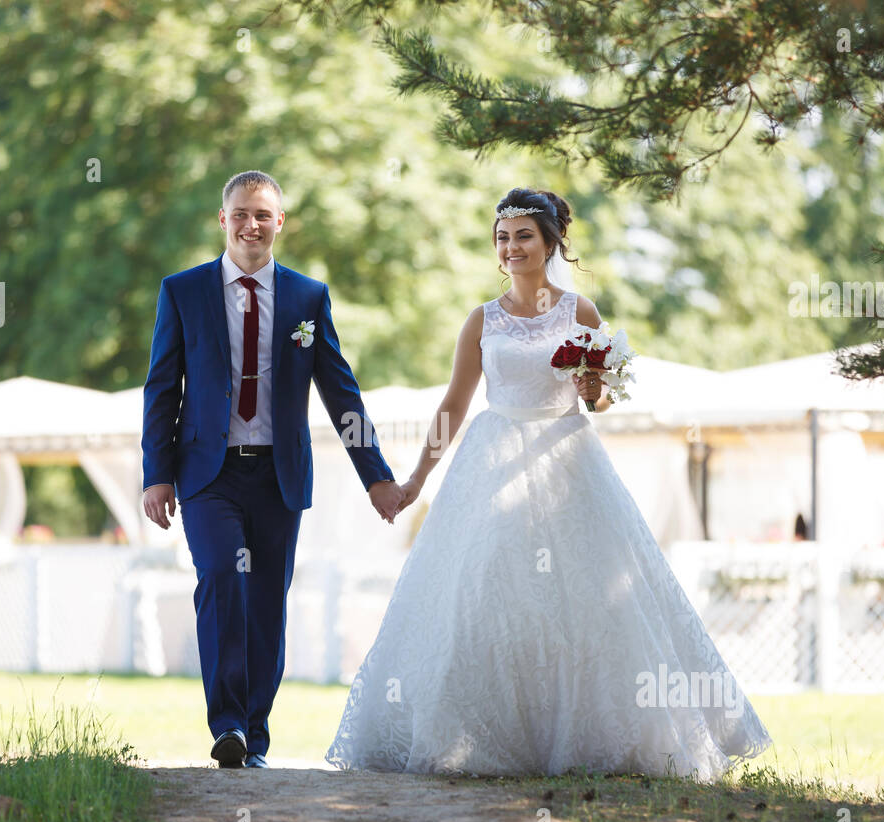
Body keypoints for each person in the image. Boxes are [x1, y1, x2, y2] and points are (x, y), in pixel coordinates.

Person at [325, 187, 773, 781]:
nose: (511, 247)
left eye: (524, 236)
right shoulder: (481, 319)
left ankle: (591, 738)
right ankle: (472, 736)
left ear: (550, 241)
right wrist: (414, 479)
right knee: (480, 595)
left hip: (568, 463)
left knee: (591, 600)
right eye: (503, 237)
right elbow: (455, 404)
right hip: (492, 463)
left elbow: (600, 396)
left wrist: (597, 392)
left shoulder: (580, 312)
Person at [142, 170, 403, 769]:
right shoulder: (182, 292)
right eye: (240, 213)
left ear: (279, 222)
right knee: (221, 581)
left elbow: (342, 393)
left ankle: (252, 735)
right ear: (223, 219)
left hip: (279, 477)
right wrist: (157, 472)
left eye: (263, 214)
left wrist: (377, 477)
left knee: (267, 601)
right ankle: (227, 722)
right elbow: (162, 387)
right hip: (208, 475)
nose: (251, 225)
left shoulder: (308, 298)